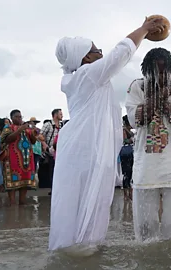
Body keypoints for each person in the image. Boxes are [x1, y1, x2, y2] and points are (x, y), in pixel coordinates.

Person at [48, 17, 165, 251]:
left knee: (88, 202)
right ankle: (82, 251)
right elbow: (119, 54)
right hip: (85, 148)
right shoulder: (87, 75)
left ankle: (79, 252)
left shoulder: (81, 78)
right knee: (88, 201)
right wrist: (143, 29)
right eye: (95, 49)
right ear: (85, 58)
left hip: (83, 149)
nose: (100, 52)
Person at [125, 47, 171, 240]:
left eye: (164, 70)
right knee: (145, 230)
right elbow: (135, 120)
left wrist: (156, 98)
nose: (160, 75)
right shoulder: (137, 86)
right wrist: (161, 95)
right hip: (146, 165)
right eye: (154, 70)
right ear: (146, 71)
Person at [0, 110, 38, 205]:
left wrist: (34, 132)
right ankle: (12, 203)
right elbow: (7, 139)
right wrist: (20, 129)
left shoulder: (27, 129)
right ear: (12, 118)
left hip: (26, 160)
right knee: (12, 182)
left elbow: (33, 141)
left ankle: (22, 202)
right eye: (17, 117)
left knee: (25, 180)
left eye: (20, 117)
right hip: (12, 159)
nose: (19, 118)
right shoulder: (8, 128)